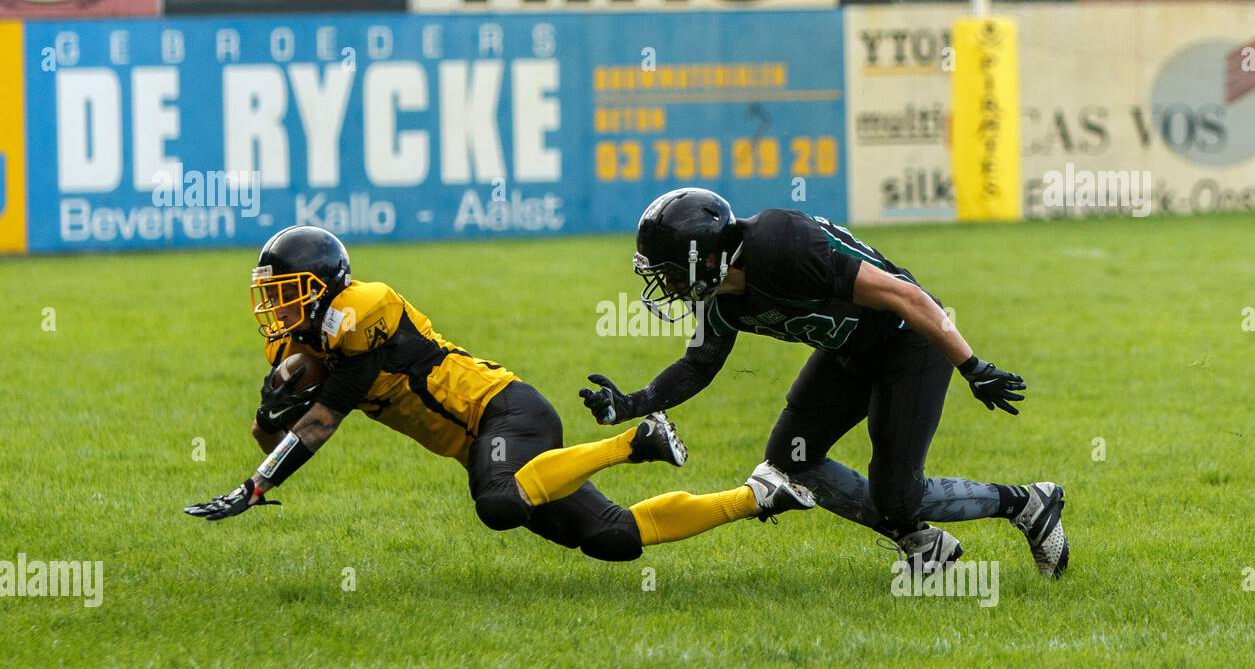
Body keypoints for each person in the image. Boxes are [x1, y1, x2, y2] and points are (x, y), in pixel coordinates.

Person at [183, 225, 815, 560]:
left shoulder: (361, 312)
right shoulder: (297, 346)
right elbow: (280, 432)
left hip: (506, 412)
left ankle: (636, 439)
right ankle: (761, 494)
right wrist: (269, 411)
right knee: (612, 539)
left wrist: (256, 486)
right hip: (485, 441)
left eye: (288, 290)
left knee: (498, 504)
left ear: (323, 286)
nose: (276, 306)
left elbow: (320, 423)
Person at [578, 189, 1068, 577]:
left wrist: (970, 364)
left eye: (668, 271)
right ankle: (919, 540)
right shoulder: (720, 293)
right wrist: (631, 404)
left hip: (907, 342)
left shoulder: (782, 246)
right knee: (792, 459)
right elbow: (699, 365)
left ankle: (1028, 502)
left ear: (704, 257)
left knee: (898, 493)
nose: (665, 285)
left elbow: (906, 294)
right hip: (850, 350)